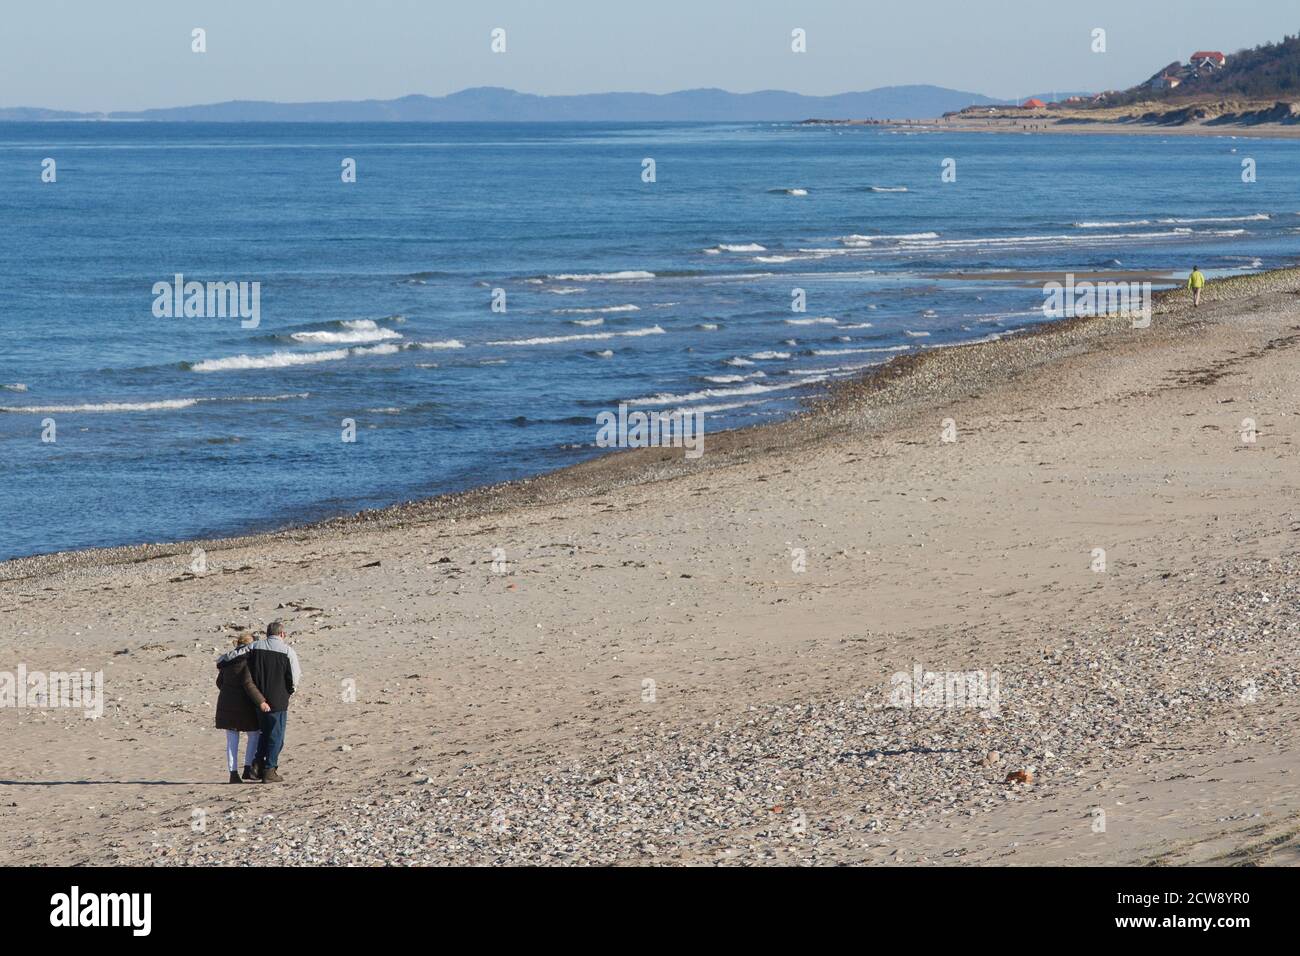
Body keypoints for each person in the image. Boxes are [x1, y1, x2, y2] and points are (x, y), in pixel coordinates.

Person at [246, 620, 302, 783]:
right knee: (276, 736)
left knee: (264, 733)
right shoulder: (287, 651)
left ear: (267, 633)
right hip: (278, 699)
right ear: (282, 634)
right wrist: (290, 692)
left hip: (258, 699)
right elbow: (294, 677)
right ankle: (270, 769)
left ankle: (256, 766)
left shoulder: (255, 647)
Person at [214, 633, 270, 784]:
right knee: (254, 735)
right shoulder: (247, 660)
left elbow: (219, 683)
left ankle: (233, 773)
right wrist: (261, 701)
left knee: (232, 740)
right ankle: (247, 767)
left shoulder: (227, 660)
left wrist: (229, 692)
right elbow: (248, 684)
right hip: (245, 704)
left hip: (226, 704)